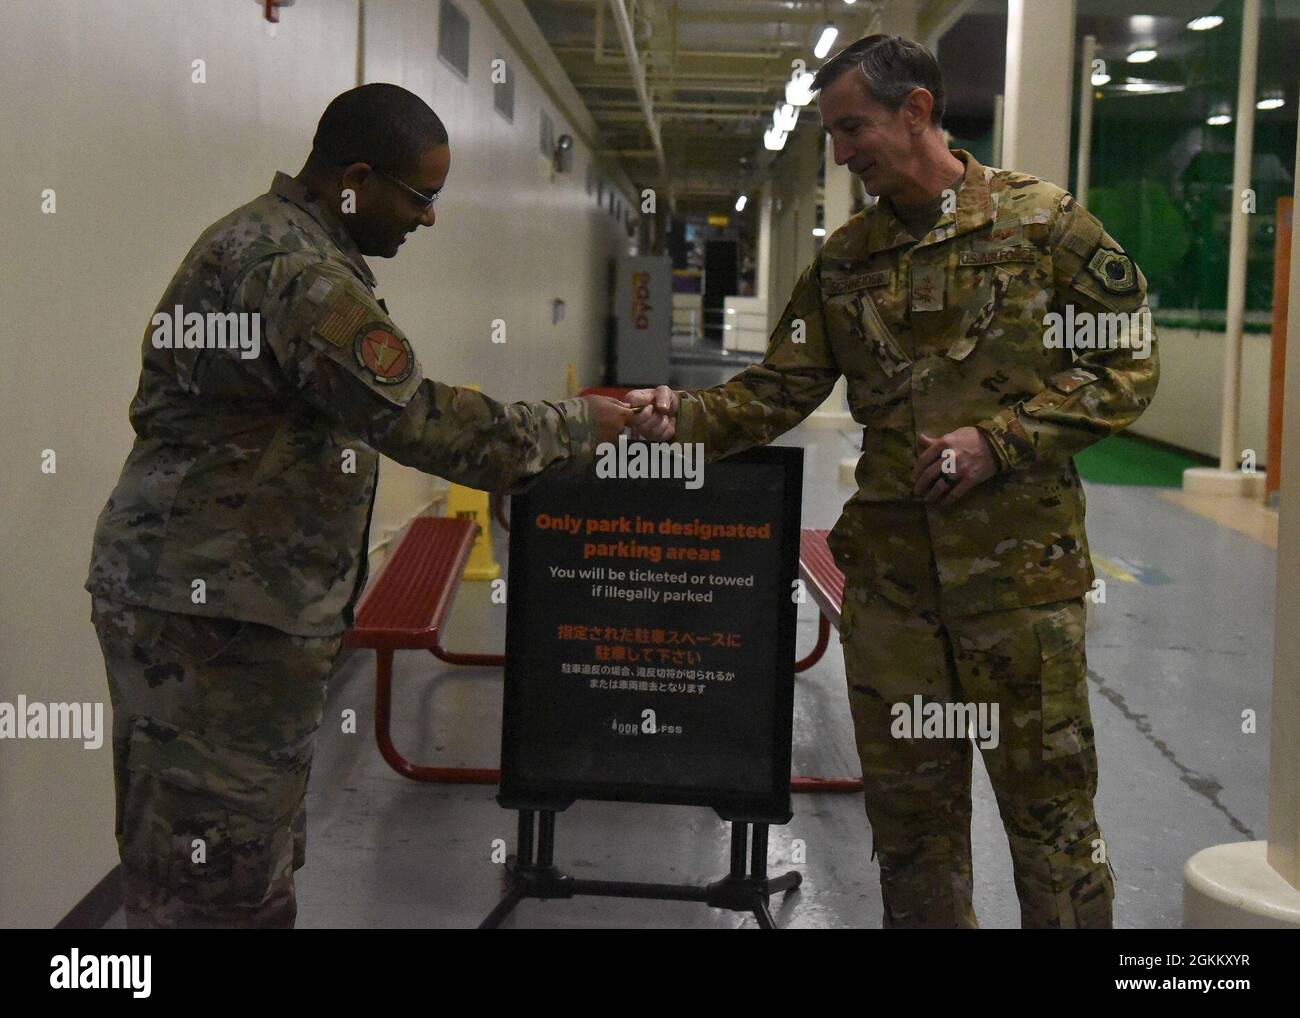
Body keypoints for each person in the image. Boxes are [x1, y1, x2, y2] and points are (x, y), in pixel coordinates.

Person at [627, 34, 1158, 928]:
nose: (840, 152)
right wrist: (674, 417)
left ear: (916, 111)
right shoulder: (847, 260)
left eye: (852, 127)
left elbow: (1130, 359)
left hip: (1019, 596)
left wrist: (1005, 440)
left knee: (1054, 831)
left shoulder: (1043, 223)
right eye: (831, 134)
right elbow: (776, 392)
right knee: (913, 833)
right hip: (895, 599)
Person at [86, 82, 631, 928]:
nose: (428, 219)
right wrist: (576, 424)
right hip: (211, 620)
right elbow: (418, 420)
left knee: (238, 854)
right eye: (421, 198)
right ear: (357, 178)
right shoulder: (295, 272)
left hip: (229, 605)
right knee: (211, 886)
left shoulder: (283, 244)